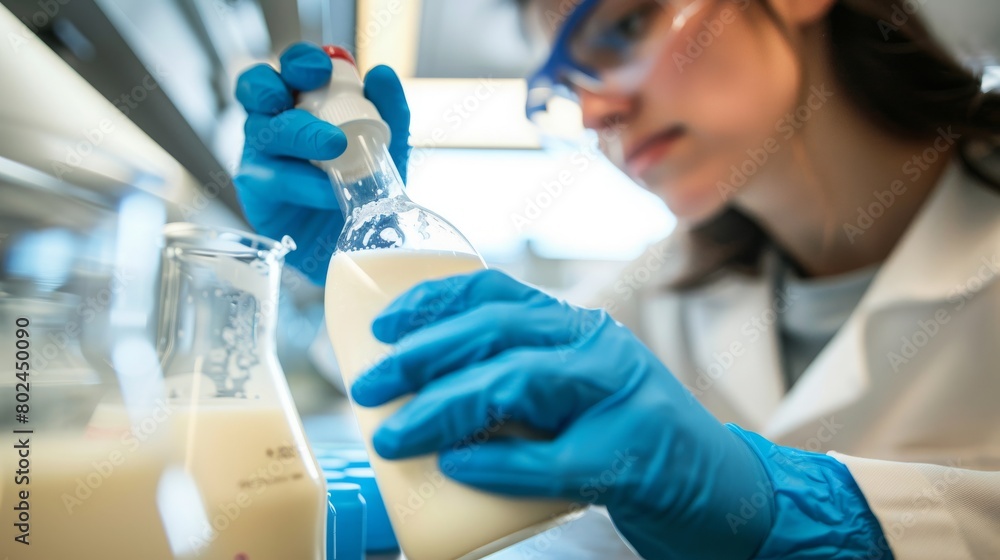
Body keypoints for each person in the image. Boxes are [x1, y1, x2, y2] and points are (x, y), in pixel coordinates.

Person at [232, 0, 1000, 558]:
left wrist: (812, 514)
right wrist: (340, 262)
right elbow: (478, 406)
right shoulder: (662, 292)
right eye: (567, 83)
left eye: (626, 24)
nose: (596, 109)